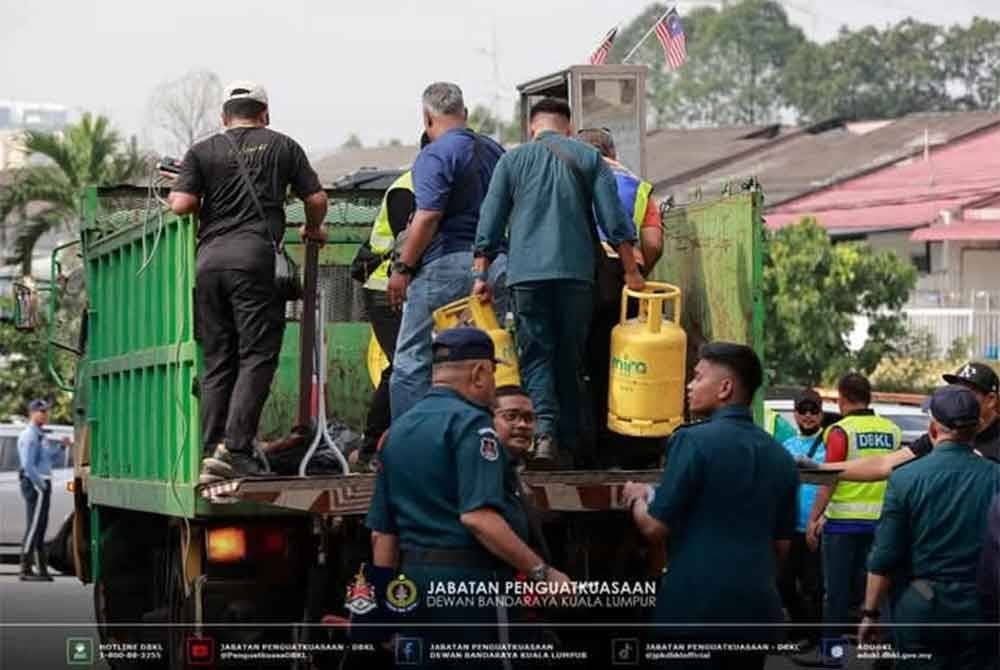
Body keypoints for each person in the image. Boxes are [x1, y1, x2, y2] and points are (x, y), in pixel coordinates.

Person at [366, 328, 569, 669]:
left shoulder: (398, 431)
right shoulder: (473, 425)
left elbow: (382, 534)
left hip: (413, 587)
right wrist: (542, 573)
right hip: (471, 590)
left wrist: (381, 613)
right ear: (478, 373)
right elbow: (478, 518)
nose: (493, 383)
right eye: (493, 372)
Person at [168, 80, 328, 483]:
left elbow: (181, 204)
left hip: (208, 264)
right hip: (254, 261)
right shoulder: (283, 146)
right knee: (256, 354)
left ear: (225, 117)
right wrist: (313, 229)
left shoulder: (203, 150)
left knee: (218, 358)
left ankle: (211, 450)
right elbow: (316, 199)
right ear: (264, 114)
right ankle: (237, 449)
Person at [473, 98, 643, 467]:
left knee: (536, 355)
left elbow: (490, 219)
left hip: (527, 276)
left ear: (531, 127)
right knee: (570, 357)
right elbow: (613, 219)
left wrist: (480, 276)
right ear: (568, 127)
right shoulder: (588, 157)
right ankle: (574, 446)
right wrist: (631, 271)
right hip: (576, 275)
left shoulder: (511, 161)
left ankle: (545, 437)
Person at [622, 343, 798, 670]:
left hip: (694, 612)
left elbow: (654, 528)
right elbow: (782, 547)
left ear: (725, 388)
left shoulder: (691, 440)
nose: (689, 386)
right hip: (756, 613)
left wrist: (637, 497)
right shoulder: (782, 457)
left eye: (698, 377)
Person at [387, 82, 507, 421]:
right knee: (485, 356)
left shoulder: (435, 154)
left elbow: (427, 217)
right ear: (464, 113)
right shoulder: (496, 151)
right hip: (496, 265)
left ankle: (412, 439)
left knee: (413, 359)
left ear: (427, 118)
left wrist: (402, 269)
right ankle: (483, 434)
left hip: (446, 265)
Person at [861, 385, 1000, 669]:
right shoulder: (996, 477)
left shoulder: (905, 479)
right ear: (975, 429)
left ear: (933, 429)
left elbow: (884, 556)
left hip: (922, 607)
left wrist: (870, 613)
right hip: (981, 611)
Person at [576, 127, 664, 467]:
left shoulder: (569, 179)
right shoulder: (638, 187)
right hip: (624, 281)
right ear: (612, 152)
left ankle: (585, 449)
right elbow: (653, 243)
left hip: (578, 275)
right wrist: (638, 271)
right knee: (624, 365)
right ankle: (628, 445)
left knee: (581, 363)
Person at [806, 373, 902, 640]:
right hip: (880, 523)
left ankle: (832, 654)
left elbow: (829, 478)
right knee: (878, 591)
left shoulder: (840, 431)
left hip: (842, 524)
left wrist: (814, 518)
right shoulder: (892, 430)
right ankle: (881, 653)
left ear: (842, 398)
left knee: (836, 593)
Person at [353, 136, 427, 468]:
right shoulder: (406, 189)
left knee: (410, 364)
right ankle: (372, 447)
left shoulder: (437, 186)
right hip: (387, 289)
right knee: (404, 365)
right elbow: (408, 243)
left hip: (413, 289)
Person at [812, 362, 1000, 482]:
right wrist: (818, 470)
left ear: (991, 399)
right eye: (954, 389)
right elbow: (884, 465)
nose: (957, 398)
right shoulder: (943, 434)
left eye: (967, 392)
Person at [776, 389, 826, 648]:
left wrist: (823, 517)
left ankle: (813, 637)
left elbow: (836, 484)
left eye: (813, 410)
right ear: (795, 414)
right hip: (790, 526)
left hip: (816, 526)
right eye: (803, 410)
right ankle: (800, 627)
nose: (808, 416)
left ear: (821, 414)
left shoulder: (830, 444)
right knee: (783, 582)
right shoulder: (786, 446)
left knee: (813, 585)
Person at [17, 399, 71, 581]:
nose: (45, 415)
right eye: (41, 411)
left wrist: (62, 447)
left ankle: (41, 569)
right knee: (34, 526)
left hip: (42, 481)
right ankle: (25, 568)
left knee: (41, 526)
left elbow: (48, 459)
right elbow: (28, 465)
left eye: (46, 411)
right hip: (36, 483)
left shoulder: (41, 435)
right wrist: (40, 484)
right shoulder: (30, 435)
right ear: (31, 413)